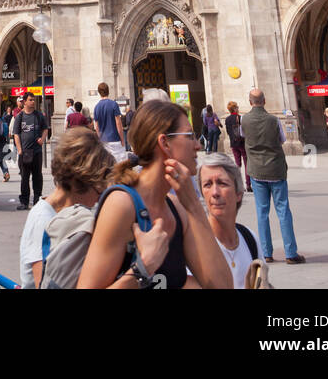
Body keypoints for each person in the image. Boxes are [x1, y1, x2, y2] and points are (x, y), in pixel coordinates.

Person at [77, 98, 232, 290]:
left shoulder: (177, 209)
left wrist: (194, 206)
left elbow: (222, 285)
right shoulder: (121, 205)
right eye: (190, 136)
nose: (198, 145)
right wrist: (143, 267)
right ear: (165, 143)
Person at [20, 128, 112, 287]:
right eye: (99, 190)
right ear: (80, 181)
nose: (99, 198)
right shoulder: (43, 219)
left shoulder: (69, 214)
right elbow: (42, 282)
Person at [242, 88, 305, 263]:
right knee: (283, 211)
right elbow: (283, 140)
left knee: (262, 212)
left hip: (256, 171)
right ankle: (291, 253)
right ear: (264, 101)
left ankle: (266, 252)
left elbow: (243, 135)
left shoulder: (244, 120)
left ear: (249, 102)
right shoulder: (273, 120)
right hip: (276, 170)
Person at [198, 152, 261, 288]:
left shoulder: (249, 238)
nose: (215, 192)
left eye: (222, 183)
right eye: (207, 185)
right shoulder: (196, 246)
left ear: (238, 193)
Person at [14, 92, 48, 211]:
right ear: (24, 101)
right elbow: (16, 134)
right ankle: (24, 201)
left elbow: (45, 129)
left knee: (37, 176)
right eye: (30, 100)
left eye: (33, 100)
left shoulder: (38, 115)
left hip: (37, 151)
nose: (33, 102)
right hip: (25, 152)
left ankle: (37, 199)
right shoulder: (20, 117)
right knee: (24, 178)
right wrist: (19, 150)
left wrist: (42, 139)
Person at [93, 82, 125, 162]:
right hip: (115, 139)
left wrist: (100, 139)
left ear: (99, 92)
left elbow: (96, 127)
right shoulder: (114, 104)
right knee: (118, 164)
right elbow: (118, 123)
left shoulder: (96, 107)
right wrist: (122, 139)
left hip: (104, 140)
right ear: (108, 91)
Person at [224, 100, 250, 192]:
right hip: (242, 143)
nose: (238, 108)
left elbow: (228, 132)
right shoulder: (240, 118)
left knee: (237, 165)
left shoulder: (227, 119)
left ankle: (239, 185)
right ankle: (248, 184)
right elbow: (245, 131)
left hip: (233, 144)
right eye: (237, 107)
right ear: (235, 108)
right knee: (247, 163)